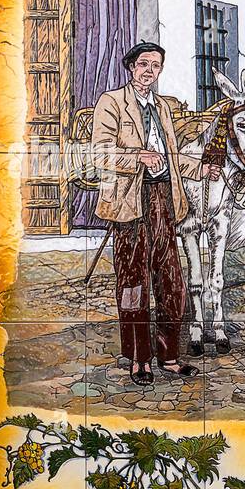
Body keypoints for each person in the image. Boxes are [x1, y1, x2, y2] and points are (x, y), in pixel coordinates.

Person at [90, 41, 219, 386]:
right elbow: (101, 155)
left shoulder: (162, 107)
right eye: (144, 64)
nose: (150, 70)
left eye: (156, 66)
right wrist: (138, 157)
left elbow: (172, 159)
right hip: (129, 203)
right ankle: (138, 359)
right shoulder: (111, 102)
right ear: (131, 67)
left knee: (171, 282)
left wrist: (200, 169)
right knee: (133, 283)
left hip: (164, 200)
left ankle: (169, 357)